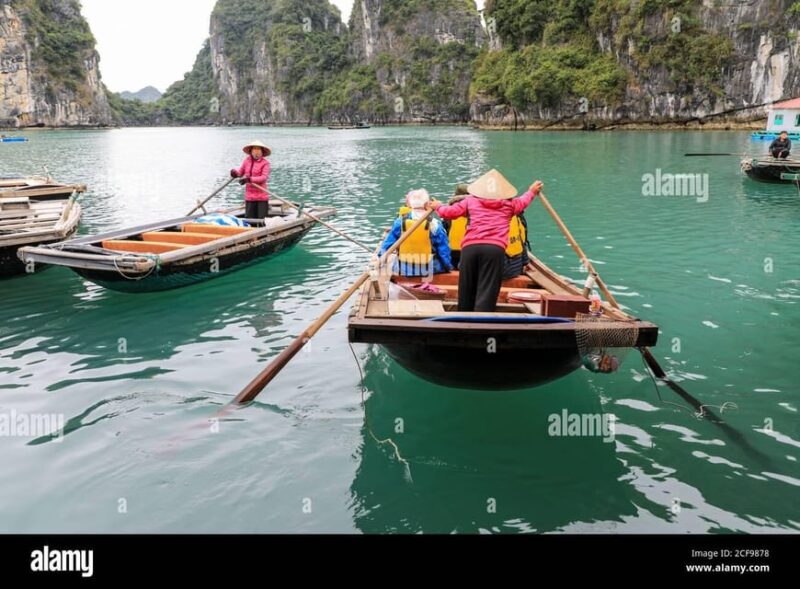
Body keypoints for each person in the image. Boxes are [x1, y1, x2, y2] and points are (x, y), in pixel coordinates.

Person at [431, 170, 543, 312]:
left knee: (466, 286)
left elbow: (448, 213)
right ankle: (481, 319)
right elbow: (524, 201)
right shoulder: (510, 205)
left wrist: (437, 206)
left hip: (470, 248)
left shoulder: (470, 201)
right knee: (488, 286)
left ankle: (464, 318)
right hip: (494, 249)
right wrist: (532, 191)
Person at [380, 189, 452, 277]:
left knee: (393, 263)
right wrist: (447, 267)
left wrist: (380, 258)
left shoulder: (400, 222)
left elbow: (387, 245)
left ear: (410, 204)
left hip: (404, 269)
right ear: (426, 205)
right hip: (429, 269)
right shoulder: (435, 224)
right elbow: (443, 249)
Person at [230, 140, 271, 220]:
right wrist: (235, 173)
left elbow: (263, 178)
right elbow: (240, 173)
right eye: (254, 149)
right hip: (249, 196)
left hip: (261, 196)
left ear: (262, 152)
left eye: (259, 149)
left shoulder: (265, 163)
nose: (257, 152)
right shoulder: (246, 161)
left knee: (262, 220)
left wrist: (249, 179)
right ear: (251, 151)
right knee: (249, 220)